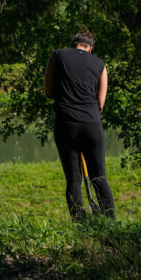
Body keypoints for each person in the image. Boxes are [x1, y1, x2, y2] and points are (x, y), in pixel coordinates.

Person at [44, 31, 116, 221]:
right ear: (90, 49)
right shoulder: (100, 64)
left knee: (73, 179)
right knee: (99, 178)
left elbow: (49, 92)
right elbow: (101, 103)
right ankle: (111, 221)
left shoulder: (57, 55)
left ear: (73, 45)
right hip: (91, 123)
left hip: (66, 122)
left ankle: (79, 222)